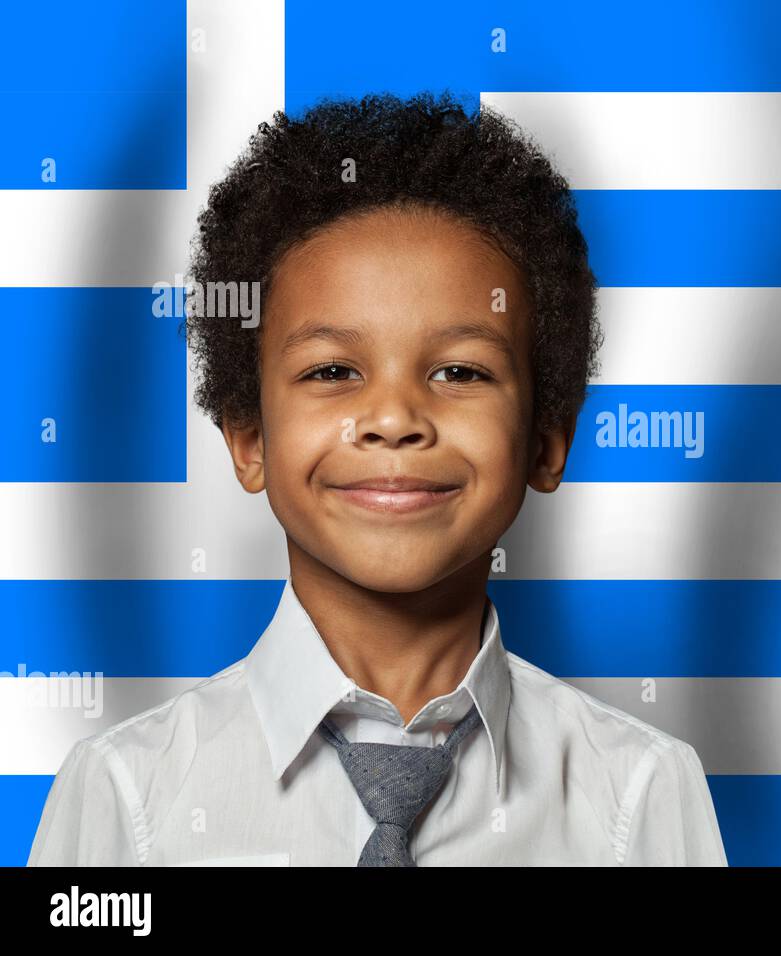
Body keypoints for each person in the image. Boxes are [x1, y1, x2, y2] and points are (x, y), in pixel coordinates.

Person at [27, 91, 728, 866]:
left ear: (547, 439)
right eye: (333, 370)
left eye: (460, 370)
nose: (393, 417)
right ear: (248, 437)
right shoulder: (127, 797)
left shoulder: (640, 793)